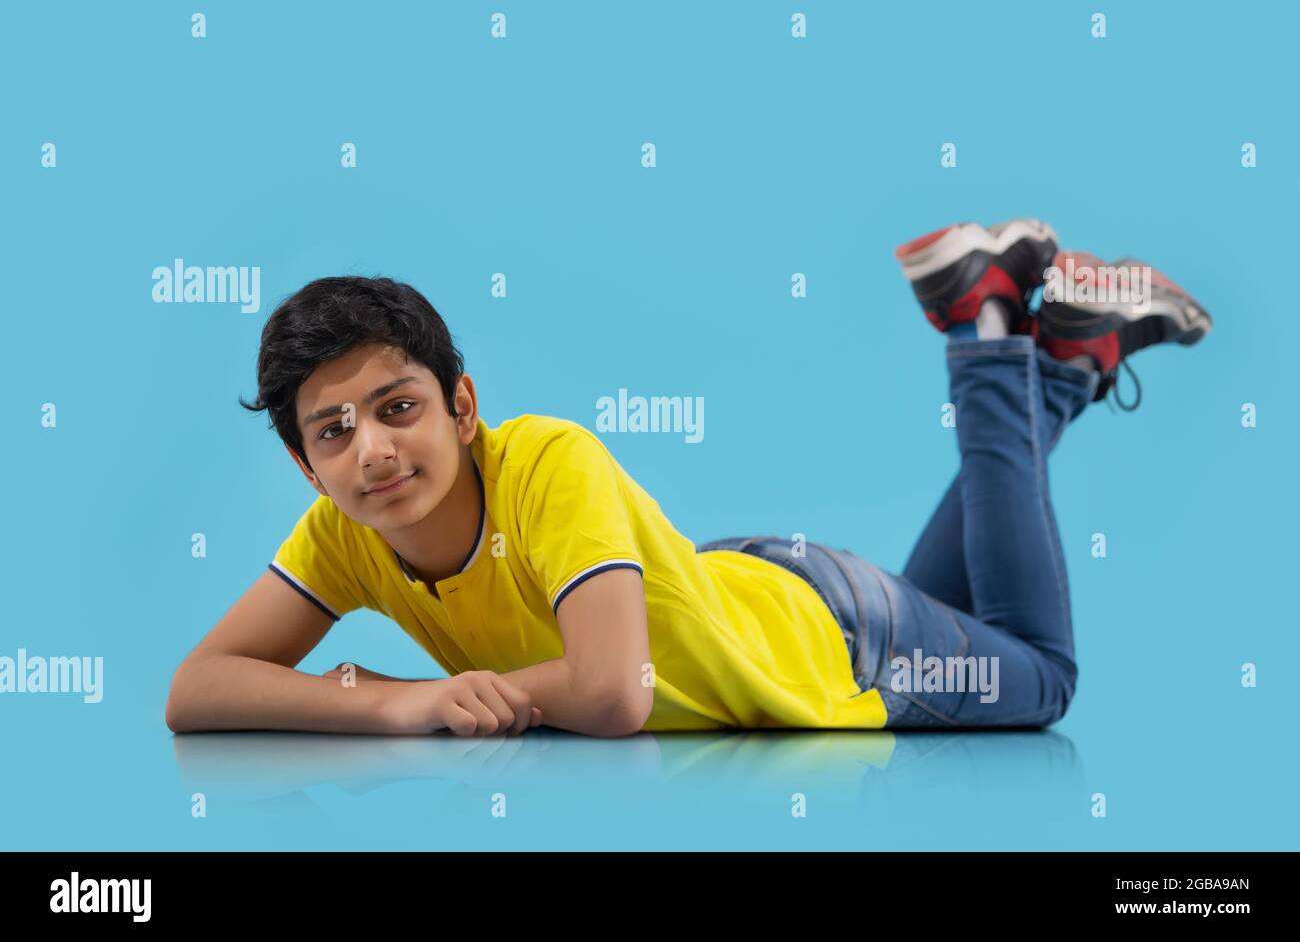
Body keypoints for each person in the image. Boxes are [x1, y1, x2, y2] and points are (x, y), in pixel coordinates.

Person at [163, 221, 1210, 736]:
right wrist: (400, 708)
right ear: (305, 467)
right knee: (951, 605)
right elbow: (196, 690)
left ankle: (985, 325)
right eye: (333, 433)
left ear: (461, 408)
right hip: (760, 593)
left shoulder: (546, 461)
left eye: (397, 410)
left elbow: (618, 693)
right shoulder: (343, 529)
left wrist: (443, 704)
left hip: (842, 650)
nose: (373, 452)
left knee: (1040, 676)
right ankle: (1068, 364)